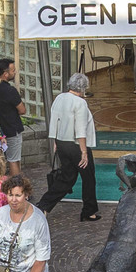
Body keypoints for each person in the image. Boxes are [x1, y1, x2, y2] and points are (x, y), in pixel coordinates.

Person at [36, 73, 99, 221]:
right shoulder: (80, 103)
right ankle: (89, 211)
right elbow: (80, 129)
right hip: (77, 146)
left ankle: (44, 205)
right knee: (88, 178)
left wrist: (56, 141)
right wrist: (84, 152)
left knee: (67, 177)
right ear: (83, 88)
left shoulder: (60, 98)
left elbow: (55, 120)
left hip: (62, 143)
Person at [0, 57, 27, 174]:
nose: (15, 72)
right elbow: (22, 110)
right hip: (12, 128)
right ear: (5, 74)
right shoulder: (10, 90)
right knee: (14, 160)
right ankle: (15, 187)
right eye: (13, 70)